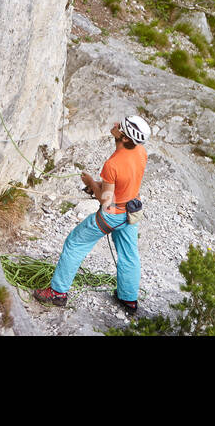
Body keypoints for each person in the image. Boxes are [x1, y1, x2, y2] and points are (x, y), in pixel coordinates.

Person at [33, 114, 151, 314]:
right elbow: (123, 184)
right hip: (131, 211)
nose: (115, 124)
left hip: (112, 214)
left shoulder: (112, 165)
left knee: (75, 243)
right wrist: (99, 186)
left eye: (119, 126)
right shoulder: (141, 152)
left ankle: (57, 293)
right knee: (129, 256)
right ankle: (128, 299)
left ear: (125, 139)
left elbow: (106, 201)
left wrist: (91, 184)